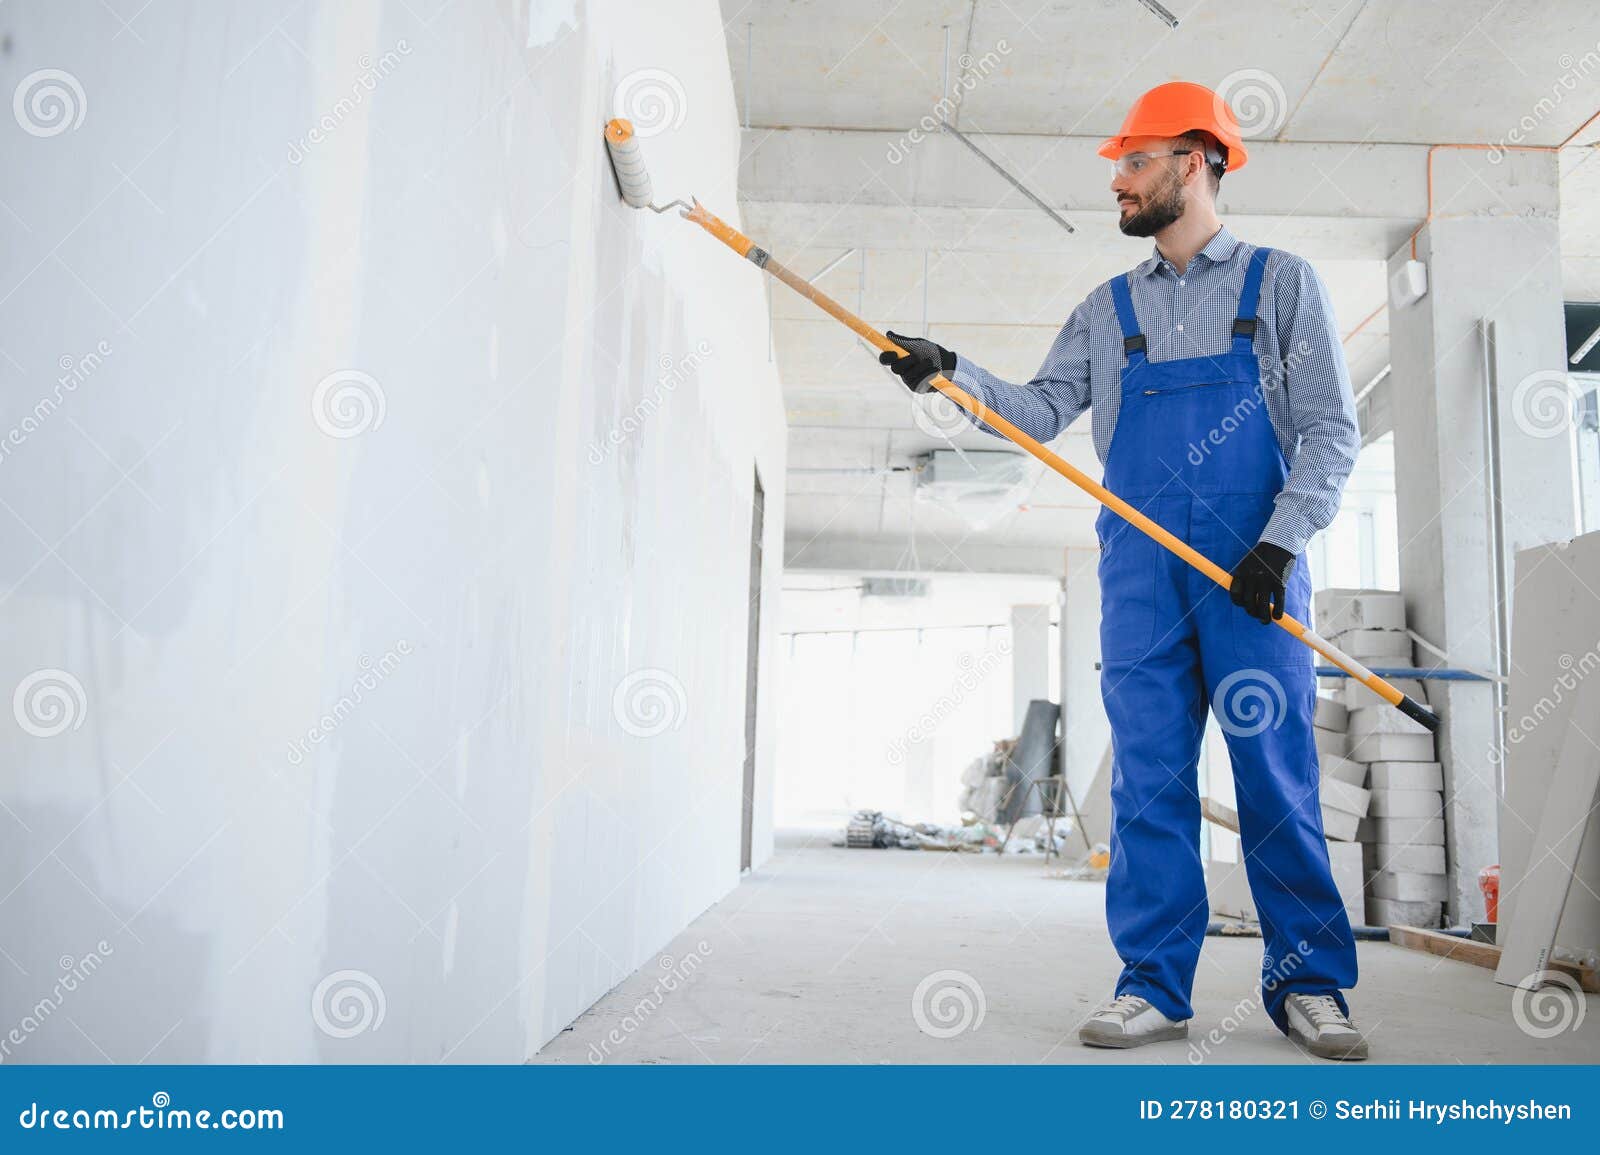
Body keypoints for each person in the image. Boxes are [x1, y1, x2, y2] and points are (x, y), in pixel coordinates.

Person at [879, 82, 1367, 1061]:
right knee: (1148, 782)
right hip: (1141, 572)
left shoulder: (1280, 283)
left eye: (1134, 160)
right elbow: (1039, 410)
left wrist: (1278, 544)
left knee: (1274, 777)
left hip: (1249, 573)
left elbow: (1327, 431)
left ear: (1195, 160)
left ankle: (1309, 985)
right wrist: (950, 372)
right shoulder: (1107, 309)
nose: (1117, 178)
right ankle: (1152, 986)